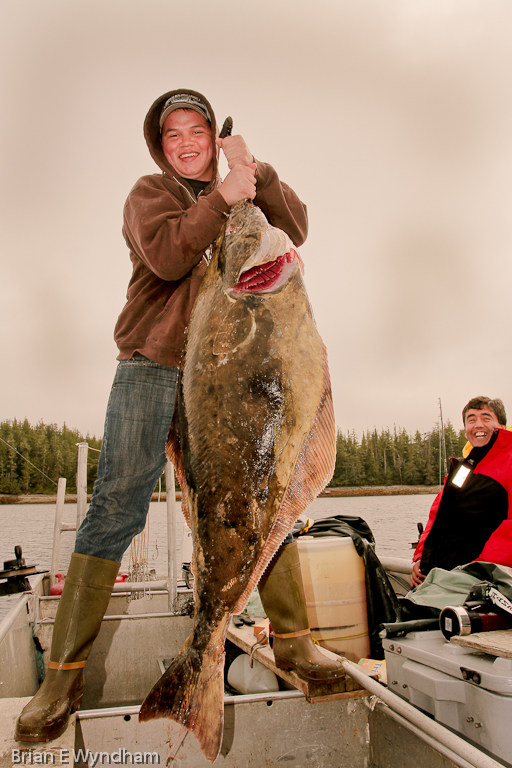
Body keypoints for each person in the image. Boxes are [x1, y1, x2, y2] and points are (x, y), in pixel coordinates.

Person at [15, 89, 342, 744]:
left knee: (263, 498)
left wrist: (257, 173)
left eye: (199, 130)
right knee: (117, 505)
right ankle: (64, 676)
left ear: (211, 138)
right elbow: (167, 258)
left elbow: (295, 228)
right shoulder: (149, 195)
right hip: (151, 366)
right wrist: (223, 197)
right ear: (161, 147)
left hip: (222, 379)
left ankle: (296, 641)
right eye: (175, 134)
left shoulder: (238, 198)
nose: (188, 141)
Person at [411, 396, 512, 588]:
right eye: (471, 420)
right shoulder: (465, 469)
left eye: (486, 418)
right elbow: (440, 514)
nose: (478, 425)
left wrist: (479, 569)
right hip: (440, 578)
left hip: (482, 582)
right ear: (466, 430)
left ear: (502, 426)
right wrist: (420, 558)